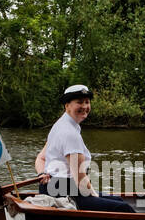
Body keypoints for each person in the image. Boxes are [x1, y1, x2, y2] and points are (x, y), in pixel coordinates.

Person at [34, 84, 135, 212]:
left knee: (118, 200)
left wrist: (42, 173)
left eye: (87, 102)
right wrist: (95, 197)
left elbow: (41, 158)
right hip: (65, 192)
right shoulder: (69, 133)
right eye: (79, 102)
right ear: (67, 105)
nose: (85, 107)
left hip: (53, 188)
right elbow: (81, 179)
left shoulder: (59, 125)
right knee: (122, 207)